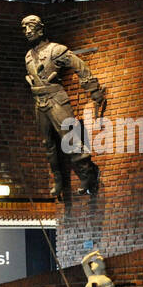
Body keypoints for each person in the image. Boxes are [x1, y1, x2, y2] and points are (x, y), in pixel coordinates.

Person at [22, 14, 104, 199]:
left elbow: (79, 65)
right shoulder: (28, 56)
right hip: (39, 100)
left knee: (70, 137)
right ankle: (57, 179)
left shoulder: (56, 50)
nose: (27, 31)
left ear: (40, 29)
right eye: (24, 28)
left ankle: (87, 174)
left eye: (31, 27)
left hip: (56, 99)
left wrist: (93, 89)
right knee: (48, 143)